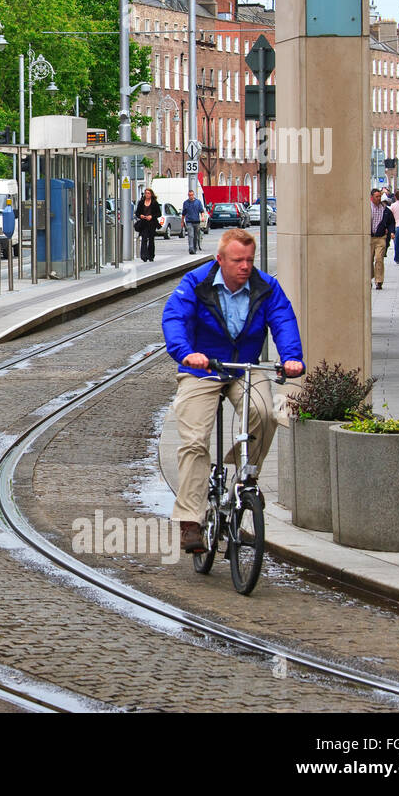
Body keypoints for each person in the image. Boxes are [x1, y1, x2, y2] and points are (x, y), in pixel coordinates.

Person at [161, 229, 305, 553]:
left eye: (249, 260)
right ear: (220, 259)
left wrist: (292, 357)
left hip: (245, 368)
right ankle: (190, 521)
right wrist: (185, 352)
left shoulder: (266, 287)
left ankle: (244, 477)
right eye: (238, 260)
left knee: (263, 413)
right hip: (203, 368)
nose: (245, 267)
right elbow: (174, 318)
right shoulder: (195, 284)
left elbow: (283, 320)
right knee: (195, 440)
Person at [369, 189, 395, 290]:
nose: (379, 198)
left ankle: (379, 281)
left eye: (380, 196)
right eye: (377, 196)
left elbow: (391, 222)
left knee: (379, 259)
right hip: (369, 238)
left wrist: (391, 231)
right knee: (369, 260)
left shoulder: (385, 210)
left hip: (381, 238)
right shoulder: (366, 209)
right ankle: (369, 279)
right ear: (371, 197)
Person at [134, 188, 161, 262]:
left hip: (152, 223)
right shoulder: (141, 202)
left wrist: (151, 216)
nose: (147, 195)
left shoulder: (154, 203)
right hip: (144, 223)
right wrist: (141, 216)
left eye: (148, 193)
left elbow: (159, 213)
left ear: (151, 194)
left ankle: (151, 255)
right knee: (144, 239)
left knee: (151, 239)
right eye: (146, 193)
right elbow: (137, 213)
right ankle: (144, 256)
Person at [180, 190, 206, 254]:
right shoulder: (185, 203)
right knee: (190, 235)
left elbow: (201, 211)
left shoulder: (198, 202)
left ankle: (195, 248)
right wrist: (182, 221)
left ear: (193, 195)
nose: (190, 196)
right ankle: (191, 248)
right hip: (189, 221)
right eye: (189, 195)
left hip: (196, 221)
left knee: (196, 236)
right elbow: (183, 213)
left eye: (192, 195)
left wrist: (202, 217)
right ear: (188, 195)